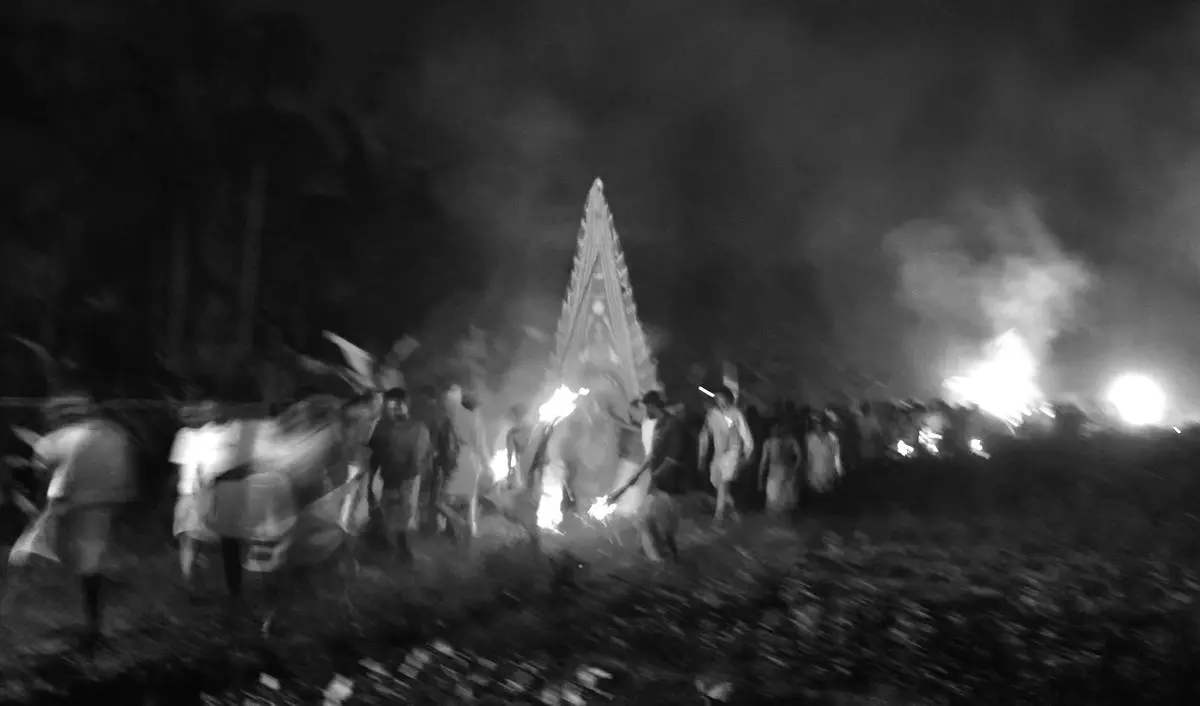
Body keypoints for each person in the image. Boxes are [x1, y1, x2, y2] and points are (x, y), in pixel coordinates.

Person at [29, 394, 136, 644]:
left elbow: (41, 471)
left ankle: (93, 623)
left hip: (67, 504)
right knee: (87, 558)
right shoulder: (113, 433)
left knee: (75, 558)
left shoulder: (54, 439)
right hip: (103, 502)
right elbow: (124, 469)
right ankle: (95, 611)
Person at [606, 391, 683, 562]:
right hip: (658, 481)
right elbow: (651, 456)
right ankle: (663, 554)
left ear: (652, 406)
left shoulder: (672, 425)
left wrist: (655, 476)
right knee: (653, 520)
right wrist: (633, 479)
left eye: (647, 407)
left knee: (652, 519)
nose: (645, 411)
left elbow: (672, 459)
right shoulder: (658, 425)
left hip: (670, 482)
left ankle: (658, 560)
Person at [366, 388, 431, 565]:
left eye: (395, 405)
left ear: (405, 405)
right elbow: (373, 456)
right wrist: (371, 482)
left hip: (407, 481)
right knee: (389, 516)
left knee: (403, 516)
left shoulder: (418, 428)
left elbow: (419, 459)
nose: (392, 409)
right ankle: (394, 550)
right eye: (389, 405)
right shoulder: (382, 427)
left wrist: (409, 480)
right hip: (388, 479)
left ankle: (403, 552)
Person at [698, 386, 754, 526]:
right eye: (717, 398)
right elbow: (705, 435)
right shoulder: (712, 414)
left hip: (732, 452)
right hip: (718, 454)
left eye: (721, 397)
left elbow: (745, 434)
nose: (719, 401)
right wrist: (702, 454)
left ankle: (719, 516)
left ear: (728, 398)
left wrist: (747, 453)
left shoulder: (736, 414)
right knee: (716, 482)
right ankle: (732, 510)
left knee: (723, 483)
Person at [441, 384, 490, 538]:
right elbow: (480, 446)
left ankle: (458, 529)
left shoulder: (455, 416)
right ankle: (465, 526)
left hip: (455, 456)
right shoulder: (475, 420)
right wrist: (488, 466)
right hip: (470, 459)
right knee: (468, 499)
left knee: (448, 498)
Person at [758, 422, 802, 515]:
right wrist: (760, 479)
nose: (776, 431)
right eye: (774, 428)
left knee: (786, 504)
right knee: (774, 504)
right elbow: (763, 462)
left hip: (787, 475)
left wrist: (795, 469)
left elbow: (799, 457)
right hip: (775, 475)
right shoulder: (768, 442)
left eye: (778, 428)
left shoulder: (790, 440)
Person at [805, 412, 843, 495]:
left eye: (820, 425)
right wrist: (808, 474)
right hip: (815, 477)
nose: (818, 428)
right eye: (816, 425)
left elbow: (836, 456)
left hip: (829, 475)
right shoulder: (810, 438)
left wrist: (839, 472)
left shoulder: (832, 438)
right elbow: (809, 457)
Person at [505, 404, 533, 488]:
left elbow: (510, 454)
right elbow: (510, 454)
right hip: (526, 464)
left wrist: (510, 468)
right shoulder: (529, 428)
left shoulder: (512, 433)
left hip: (527, 464)